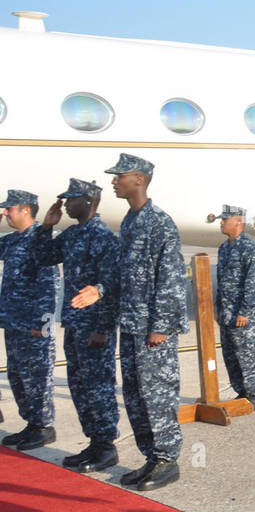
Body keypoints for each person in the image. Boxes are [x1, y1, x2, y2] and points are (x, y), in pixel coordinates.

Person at [71, 154, 187, 490]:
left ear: (138, 178)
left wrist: (162, 326)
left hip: (152, 330)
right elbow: (122, 277)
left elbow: (171, 278)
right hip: (131, 325)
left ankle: (167, 460)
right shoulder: (131, 222)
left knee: (158, 395)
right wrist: (100, 291)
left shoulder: (159, 223)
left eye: (119, 176)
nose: (113, 182)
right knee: (136, 396)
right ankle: (152, 458)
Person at [32, 179, 122, 471]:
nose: (67, 204)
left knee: (99, 386)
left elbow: (112, 284)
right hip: (74, 323)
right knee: (80, 385)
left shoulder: (103, 237)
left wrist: (104, 328)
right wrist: (47, 226)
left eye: (72, 200)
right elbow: (44, 256)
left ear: (90, 201)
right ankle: (94, 442)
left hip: (95, 325)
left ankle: (106, 447)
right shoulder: (71, 235)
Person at [0, 189, 58, 450]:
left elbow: (49, 284)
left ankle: (44, 427)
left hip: (34, 325)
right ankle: (32, 424)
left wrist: (43, 324)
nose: (4, 213)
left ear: (25, 210)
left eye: (8, 209)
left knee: (37, 377)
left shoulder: (40, 240)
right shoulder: (13, 240)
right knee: (18, 376)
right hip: (14, 322)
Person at [214, 205, 255, 410]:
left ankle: (254, 395)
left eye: (225, 220)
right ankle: (241, 391)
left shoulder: (250, 247)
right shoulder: (224, 248)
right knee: (231, 355)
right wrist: (219, 309)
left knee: (249, 355)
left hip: (244, 315)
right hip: (227, 314)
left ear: (238, 221)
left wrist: (245, 310)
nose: (221, 223)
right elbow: (222, 281)